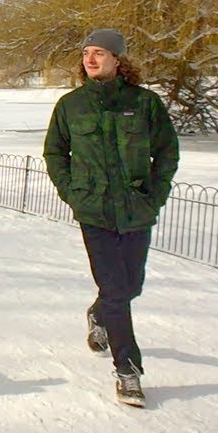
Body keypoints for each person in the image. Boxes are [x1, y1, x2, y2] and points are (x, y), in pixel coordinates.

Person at [43, 28, 179, 409]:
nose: (90, 59)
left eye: (99, 53)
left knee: (130, 286)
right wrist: (73, 192)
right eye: (86, 52)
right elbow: (55, 154)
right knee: (117, 290)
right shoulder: (70, 106)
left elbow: (167, 153)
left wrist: (154, 196)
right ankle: (128, 371)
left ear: (118, 60)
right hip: (94, 212)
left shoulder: (145, 104)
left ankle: (98, 314)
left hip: (136, 210)